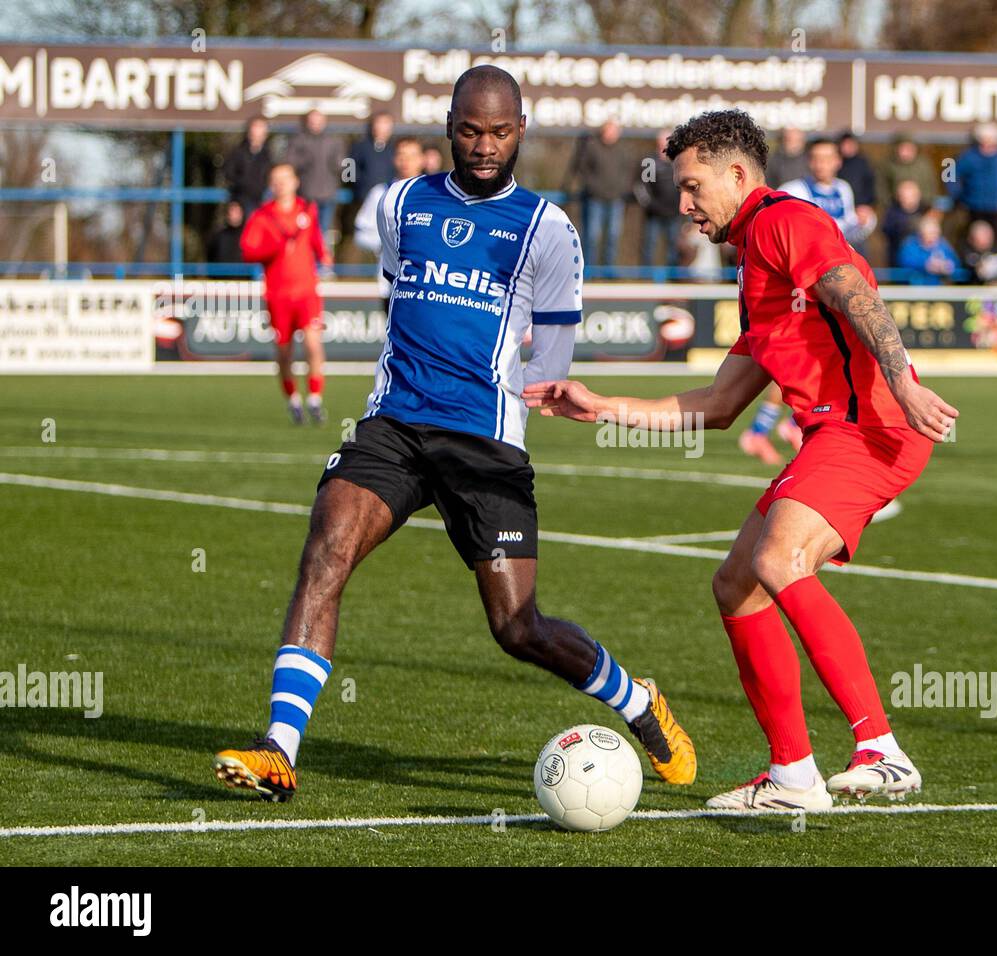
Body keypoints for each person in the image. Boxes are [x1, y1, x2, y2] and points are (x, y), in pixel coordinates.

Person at [213, 66, 696, 803]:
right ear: (449, 125)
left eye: (500, 132)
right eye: (470, 130)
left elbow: (557, 338)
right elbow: (395, 290)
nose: (483, 145)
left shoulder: (547, 228)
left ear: (520, 132)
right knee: (326, 550)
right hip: (394, 424)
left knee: (517, 627)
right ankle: (278, 748)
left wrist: (551, 390)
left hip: (486, 440)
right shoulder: (401, 203)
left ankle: (635, 699)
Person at [526, 108, 959, 812]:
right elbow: (721, 403)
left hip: (871, 426)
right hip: (837, 435)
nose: (685, 204)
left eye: (694, 188)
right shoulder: (754, 264)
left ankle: (881, 749)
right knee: (736, 584)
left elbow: (853, 292)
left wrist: (903, 378)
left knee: (776, 560)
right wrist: (599, 405)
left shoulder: (786, 219)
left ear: (737, 175)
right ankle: (792, 776)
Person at [240, 163, 331, 425]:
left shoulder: (307, 210)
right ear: (271, 184)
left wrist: (324, 254)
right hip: (278, 294)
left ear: (295, 182)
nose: (281, 184)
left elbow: (315, 240)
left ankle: (315, 398)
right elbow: (248, 250)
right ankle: (293, 400)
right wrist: (274, 246)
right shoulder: (262, 216)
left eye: (285, 178)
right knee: (283, 351)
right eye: (276, 179)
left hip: (306, 291)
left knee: (313, 344)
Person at [353, 136, 424, 311]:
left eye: (412, 155)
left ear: (422, 159)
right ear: (394, 159)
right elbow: (360, 234)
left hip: (427, 286)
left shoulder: (436, 195)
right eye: (401, 155)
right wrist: (385, 242)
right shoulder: (380, 193)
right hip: (392, 284)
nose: (405, 161)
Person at [778, 138, 863, 244]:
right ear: (809, 161)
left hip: (838, 255)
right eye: (816, 158)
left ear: (838, 161)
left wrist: (862, 222)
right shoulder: (791, 191)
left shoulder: (843, 188)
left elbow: (848, 228)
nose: (821, 164)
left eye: (827, 159)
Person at [568, 118, 628, 267]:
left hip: (615, 199)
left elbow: (628, 173)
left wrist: (621, 188)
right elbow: (583, 170)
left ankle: (608, 271)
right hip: (595, 199)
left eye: (614, 131)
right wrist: (593, 187)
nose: (611, 134)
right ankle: (588, 270)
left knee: (612, 237)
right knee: (591, 236)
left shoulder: (622, 151)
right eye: (609, 130)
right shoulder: (592, 147)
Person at [285, 109, 344, 251]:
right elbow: (289, 163)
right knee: (303, 231)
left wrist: (341, 166)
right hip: (305, 195)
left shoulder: (333, 141)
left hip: (327, 194)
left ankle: (322, 264)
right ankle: (304, 262)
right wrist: (305, 160)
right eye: (312, 120)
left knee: (323, 231)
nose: (316, 124)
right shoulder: (298, 140)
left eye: (319, 120)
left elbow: (345, 165)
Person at [949, 123, 997, 242]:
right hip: (972, 207)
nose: (989, 143)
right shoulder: (968, 156)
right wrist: (956, 194)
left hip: (994, 206)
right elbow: (949, 173)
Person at [634, 129, 680, 270]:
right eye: (662, 141)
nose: (664, 145)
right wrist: (650, 205)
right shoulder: (650, 162)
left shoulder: (678, 162)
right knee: (649, 245)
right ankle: (646, 276)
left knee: (674, 246)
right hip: (654, 213)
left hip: (674, 212)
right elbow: (642, 187)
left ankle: (673, 277)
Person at [222, 117, 272, 218]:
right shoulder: (238, 152)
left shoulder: (269, 155)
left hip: (263, 199)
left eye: (261, 127)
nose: (257, 131)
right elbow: (228, 173)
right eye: (255, 127)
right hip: (242, 200)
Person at [347, 110, 396, 209]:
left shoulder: (396, 148)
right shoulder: (360, 146)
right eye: (379, 123)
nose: (382, 127)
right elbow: (348, 169)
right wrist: (359, 185)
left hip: (389, 199)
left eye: (386, 123)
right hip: (363, 198)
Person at [897, 215, 959, 284]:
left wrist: (947, 266)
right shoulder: (910, 244)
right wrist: (926, 264)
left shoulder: (942, 245)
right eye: (929, 233)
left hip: (937, 288)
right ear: (920, 233)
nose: (932, 237)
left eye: (934, 233)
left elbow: (954, 262)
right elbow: (904, 261)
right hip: (914, 287)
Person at [881, 179, 928, 267]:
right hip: (898, 259)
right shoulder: (892, 213)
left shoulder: (926, 211)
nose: (907, 200)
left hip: (924, 263)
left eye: (911, 196)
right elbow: (886, 231)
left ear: (918, 196)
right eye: (903, 196)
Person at [881, 134, 937, 206]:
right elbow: (882, 187)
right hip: (896, 207)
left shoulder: (923, 165)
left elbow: (931, 186)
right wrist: (890, 203)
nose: (905, 152)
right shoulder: (888, 164)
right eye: (903, 148)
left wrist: (924, 202)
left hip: (921, 207)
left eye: (909, 149)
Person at [959, 219, 997, 284]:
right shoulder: (968, 253)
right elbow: (981, 271)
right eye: (985, 234)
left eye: (990, 234)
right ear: (973, 237)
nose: (989, 237)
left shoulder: (995, 250)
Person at [206, 201, 246, 265]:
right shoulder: (218, 236)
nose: (234, 215)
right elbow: (210, 256)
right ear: (227, 214)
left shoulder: (248, 236)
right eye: (231, 211)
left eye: (237, 211)